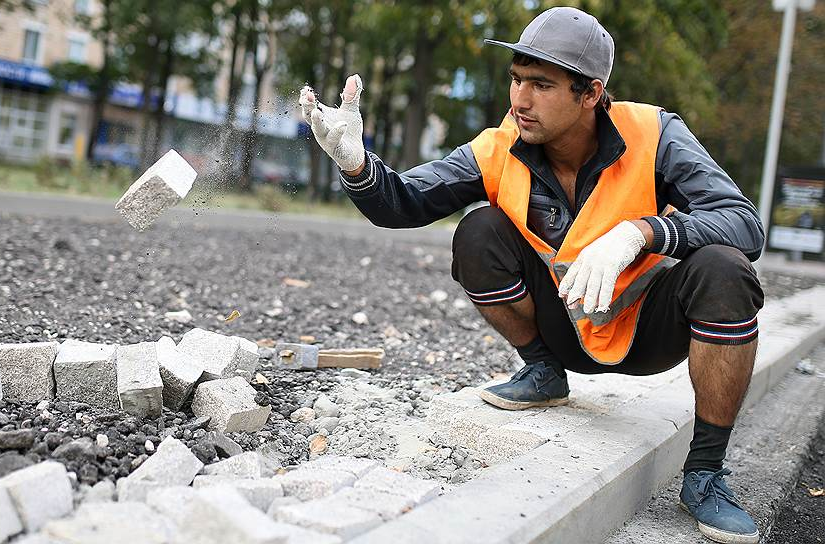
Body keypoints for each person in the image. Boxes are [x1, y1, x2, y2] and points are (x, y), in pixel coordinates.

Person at [298, 6, 765, 544]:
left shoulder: (655, 133)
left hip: (647, 333)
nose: (520, 99)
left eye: (542, 84)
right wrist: (356, 166)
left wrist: (642, 232)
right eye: (517, 80)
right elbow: (402, 203)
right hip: (561, 329)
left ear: (590, 94)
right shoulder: (498, 148)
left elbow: (744, 225)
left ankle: (705, 475)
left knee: (725, 269)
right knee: (479, 231)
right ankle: (542, 373)